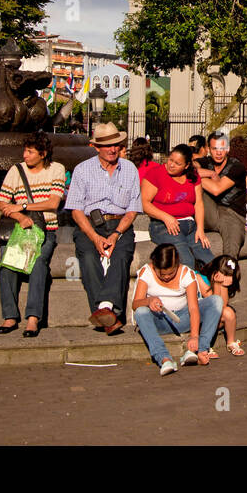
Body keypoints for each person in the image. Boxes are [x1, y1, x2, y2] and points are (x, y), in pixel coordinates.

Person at [65, 122, 143, 335]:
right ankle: (109, 313)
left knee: (120, 257)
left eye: (116, 144)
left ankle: (102, 309)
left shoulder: (129, 169)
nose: (113, 149)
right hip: (90, 225)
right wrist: (94, 237)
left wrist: (117, 234)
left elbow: (133, 209)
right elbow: (76, 210)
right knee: (88, 258)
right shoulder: (82, 170)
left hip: (120, 224)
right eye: (107, 145)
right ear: (95, 147)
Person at [0, 131, 66, 338]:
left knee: (39, 263)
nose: (25, 155)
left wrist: (22, 206)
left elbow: (53, 203)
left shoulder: (56, 169)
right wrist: (20, 217)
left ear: (43, 154)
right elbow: (1, 203)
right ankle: (9, 316)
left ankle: (33, 318)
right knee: (7, 264)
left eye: (30, 152)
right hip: (19, 230)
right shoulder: (16, 170)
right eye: (25, 151)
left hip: (45, 231)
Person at [132, 243, 223, 375]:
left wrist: (194, 336)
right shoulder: (146, 272)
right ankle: (164, 359)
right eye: (162, 274)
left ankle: (201, 350)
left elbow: (193, 308)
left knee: (216, 301)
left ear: (177, 265)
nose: (167, 277)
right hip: (159, 320)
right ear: (154, 266)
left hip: (182, 318)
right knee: (141, 311)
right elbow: (135, 304)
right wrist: (148, 301)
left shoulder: (187, 273)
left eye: (171, 273)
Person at [143, 143, 213, 269]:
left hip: (190, 225)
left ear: (186, 166)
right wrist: (165, 217)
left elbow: (198, 203)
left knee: (209, 261)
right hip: (164, 225)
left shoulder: (193, 176)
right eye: (170, 160)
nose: (171, 165)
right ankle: (191, 288)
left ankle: (210, 288)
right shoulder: (155, 174)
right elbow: (145, 203)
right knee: (187, 261)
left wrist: (200, 230)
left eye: (177, 163)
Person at [195, 131, 247, 260]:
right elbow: (190, 165)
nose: (219, 152)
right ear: (208, 149)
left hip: (232, 214)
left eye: (222, 148)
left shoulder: (237, 167)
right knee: (193, 184)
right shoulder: (205, 162)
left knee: (229, 256)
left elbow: (217, 189)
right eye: (214, 149)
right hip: (210, 211)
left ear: (228, 149)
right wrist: (209, 173)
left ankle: (229, 277)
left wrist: (195, 177)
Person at [197, 254, 245, 356]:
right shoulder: (200, 278)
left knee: (229, 312)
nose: (228, 278)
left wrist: (223, 286)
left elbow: (223, 306)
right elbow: (214, 304)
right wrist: (217, 284)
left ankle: (231, 342)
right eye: (225, 274)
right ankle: (205, 346)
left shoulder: (224, 284)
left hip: (212, 316)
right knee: (216, 311)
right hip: (198, 318)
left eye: (230, 276)